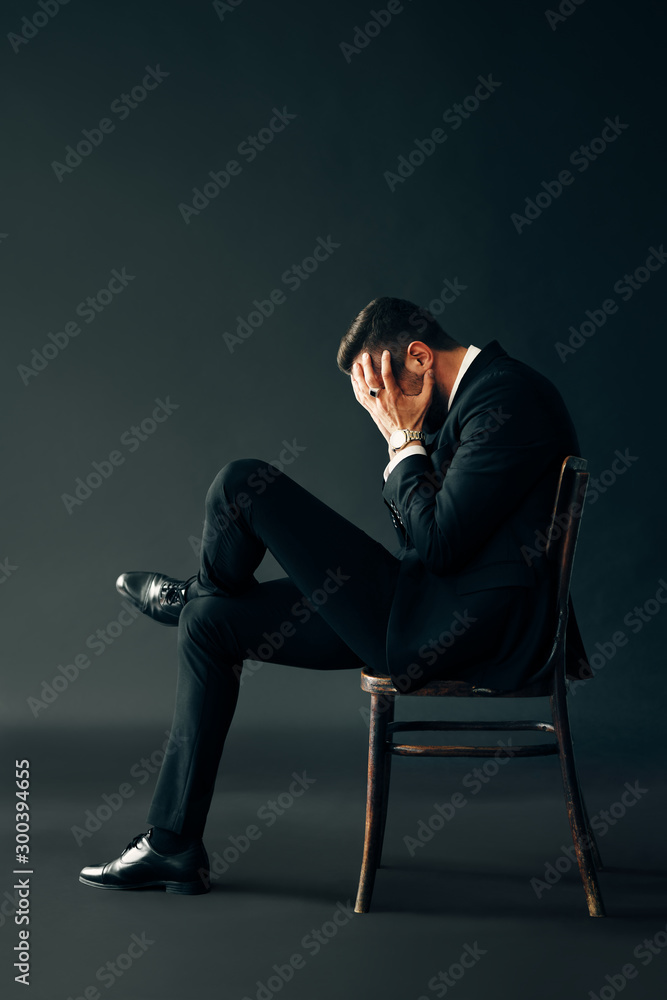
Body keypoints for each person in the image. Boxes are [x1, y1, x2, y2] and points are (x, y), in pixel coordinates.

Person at [78, 296, 589, 895]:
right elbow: (428, 544)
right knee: (208, 624)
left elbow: (441, 546)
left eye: (377, 393)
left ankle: (193, 588)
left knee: (243, 482)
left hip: (451, 630)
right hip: (421, 604)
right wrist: (410, 443)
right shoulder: (475, 403)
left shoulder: (506, 400)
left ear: (418, 357)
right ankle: (172, 846)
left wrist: (402, 442)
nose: (379, 410)